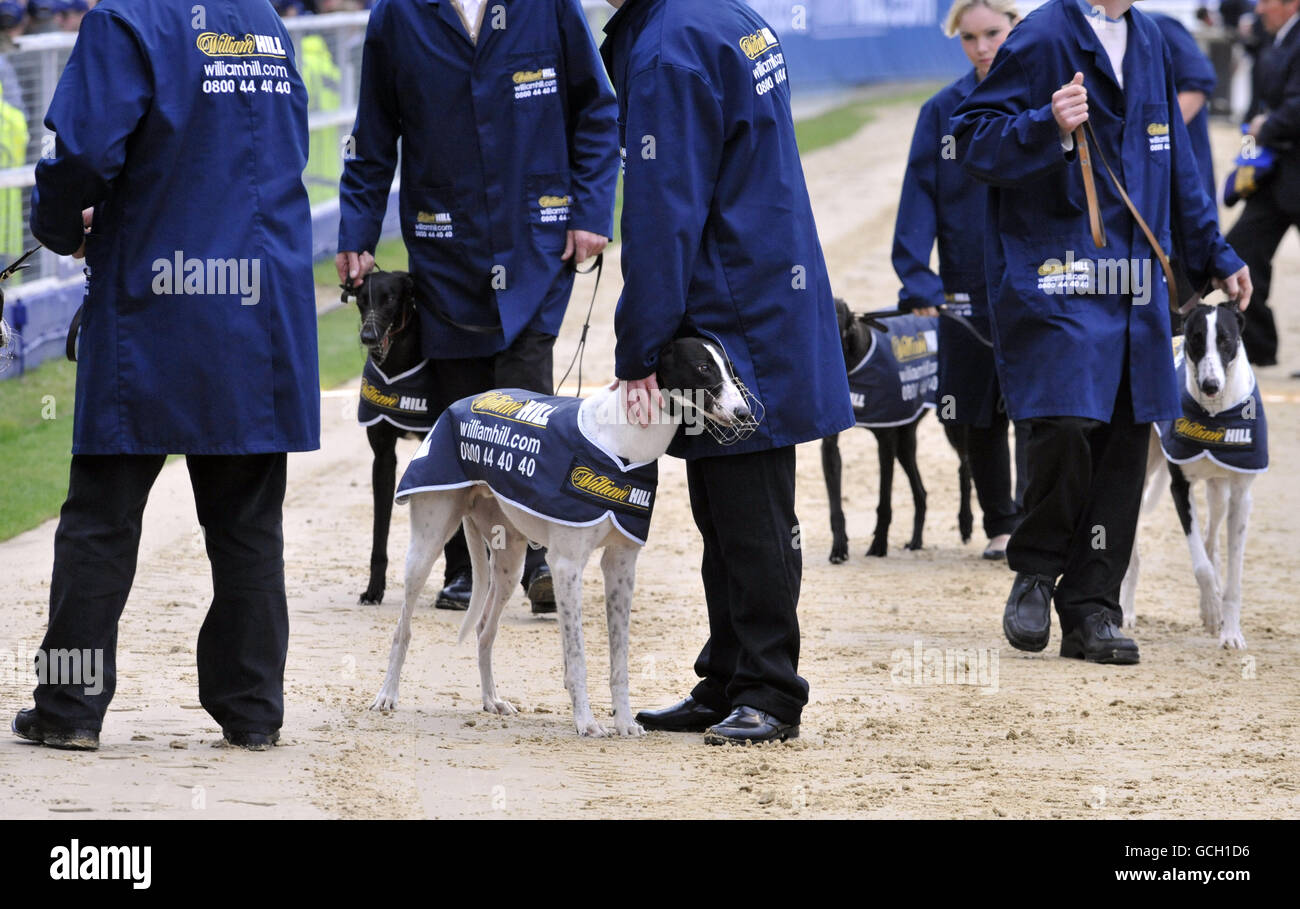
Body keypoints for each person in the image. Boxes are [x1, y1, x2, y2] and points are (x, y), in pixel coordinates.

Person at [13, 0, 320, 751]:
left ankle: (69, 708)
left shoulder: (126, 18)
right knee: (247, 521)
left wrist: (56, 227)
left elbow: (83, 154)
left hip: (159, 298)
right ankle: (252, 709)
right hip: (257, 301)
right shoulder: (265, 24)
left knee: (101, 520)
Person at [951, 0, 1251, 664]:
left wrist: (1217, 254)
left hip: (1137, 283)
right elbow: (971, 137)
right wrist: (1045, 123)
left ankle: (1092, 608)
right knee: (1062, 421)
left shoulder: (1151, 41)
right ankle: (1034, 571)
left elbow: (1178, 168)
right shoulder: (1041, 35)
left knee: (1123, 436)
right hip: (1059, 270)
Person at [602, 0, 854, 744]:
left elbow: (661, 213)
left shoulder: (666, 49)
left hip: (733, 303)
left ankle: (771, 689)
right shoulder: (719, 16)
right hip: (752, 284)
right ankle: (727, 674)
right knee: (721, 504)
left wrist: (636, 346)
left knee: (751, 511)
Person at [337, 0, 619, 614]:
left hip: (534, 243)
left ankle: (537, 558)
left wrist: (592, 211)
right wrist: (356, 232)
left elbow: (596, 110)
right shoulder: (397, 15)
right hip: (445, 248)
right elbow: (373, 134)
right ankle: (464, 565)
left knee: (523, 404)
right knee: (459, 410)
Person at [892, 0, 1026, 560]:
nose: (982, 48)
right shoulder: (940, 112)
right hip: (965, 283)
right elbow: (918, 197)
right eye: (969, 38)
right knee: (973, 409)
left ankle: (1045, 525)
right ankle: (1003, 525)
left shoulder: (1045, 99)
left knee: (1046, 411)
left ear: (1015, 27)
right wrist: (917, 278)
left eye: (992, 33)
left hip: (1039, 279)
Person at [1224, 0, 1299, 367]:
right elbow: (1257, 108)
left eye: (1267, 1)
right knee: (1241, 250)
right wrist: (1247, 159)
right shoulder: (1273, 40)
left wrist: (1263, 128)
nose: (1259, 8)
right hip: (1273, 175)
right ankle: (1260, 349)